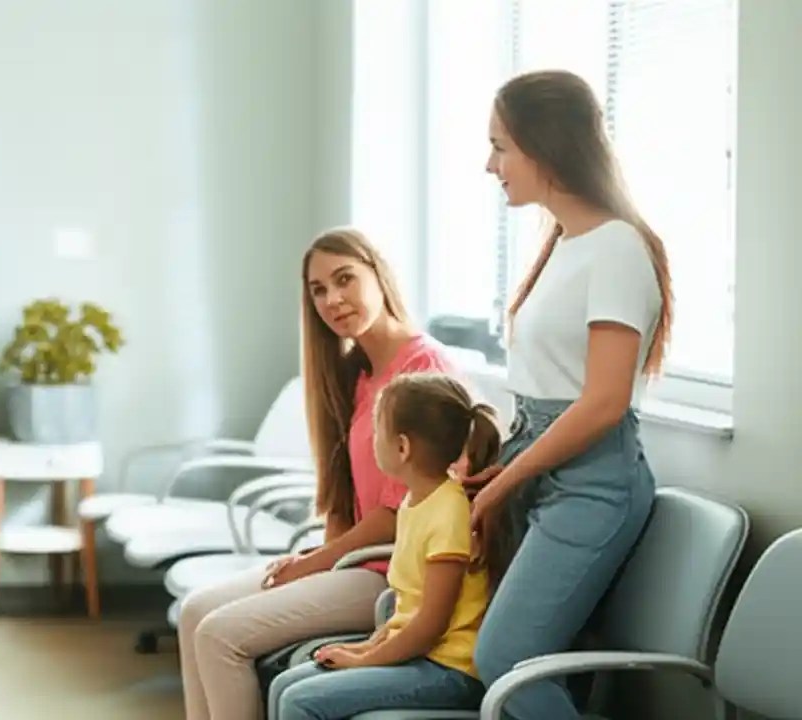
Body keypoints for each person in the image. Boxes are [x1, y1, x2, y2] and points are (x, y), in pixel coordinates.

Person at [177, 227, 460, 720]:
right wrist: (316, 559)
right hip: (355, 561)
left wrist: (313, 565)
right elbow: (343, 495)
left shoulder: (422, 367)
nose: (332, 299)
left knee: (220, 636)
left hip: (390, 571)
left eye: (344, 279)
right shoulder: (356, 373)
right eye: (319, 290)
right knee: (195, 612)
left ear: (379, 273)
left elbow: (398, 513)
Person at [465, 69, 673, 719]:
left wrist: (503, 484)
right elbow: (546, 385)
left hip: (592, 484)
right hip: (544, 465)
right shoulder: (564, 242)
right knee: (514, 660)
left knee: (504, 662)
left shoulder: (616, 247)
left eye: (500, 145)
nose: (489, 163)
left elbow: (604, 402)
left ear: (544, 144)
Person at [267, 372, 504, 719]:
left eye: (378, 429)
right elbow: (408, 611)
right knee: (282, 687)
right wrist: (363, 646)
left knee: (298, 702)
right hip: (419, 656)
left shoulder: (448, 515)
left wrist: (362, 661)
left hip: (449, 671)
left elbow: (429, 627)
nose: (372, 439)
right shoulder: (417, 501)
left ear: (403, 447)